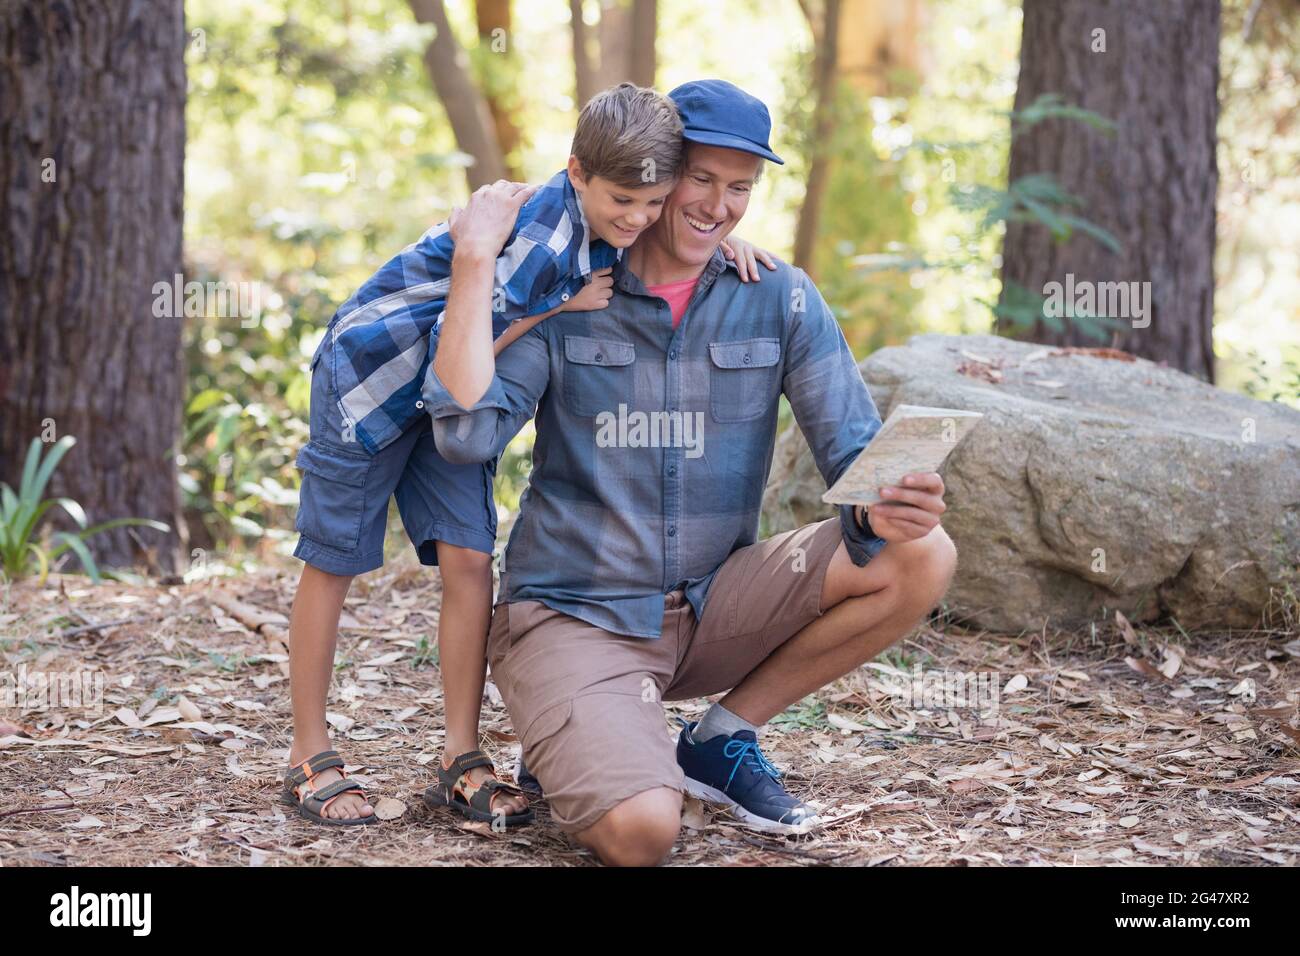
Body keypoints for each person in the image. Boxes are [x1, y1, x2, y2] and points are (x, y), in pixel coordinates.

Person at [426, 79, 958, 864]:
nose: (718, 206)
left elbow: (854, 451)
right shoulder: (571, 291)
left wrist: (888, 505)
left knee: (925, 553)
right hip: (580, 613)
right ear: (661, 172)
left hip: (715, 606)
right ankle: (583, 729)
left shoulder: (777, 295)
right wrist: (479, 269)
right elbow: (466, 438)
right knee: (644, 833)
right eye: (701, 180)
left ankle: (722, 738)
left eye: (740, 187)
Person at [283, 82, 770, 826]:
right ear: (576, 172)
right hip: (373, 385)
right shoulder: (539, 244)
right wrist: (552, 308)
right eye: (623, 205)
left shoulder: (618, 213)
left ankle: (458, 754)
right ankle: (308, 754)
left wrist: (719, 237)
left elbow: (671, 229)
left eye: (653, 203)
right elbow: (467, 362)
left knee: (469, 558)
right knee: (335, 559)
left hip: (443, 407)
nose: (638, 221)